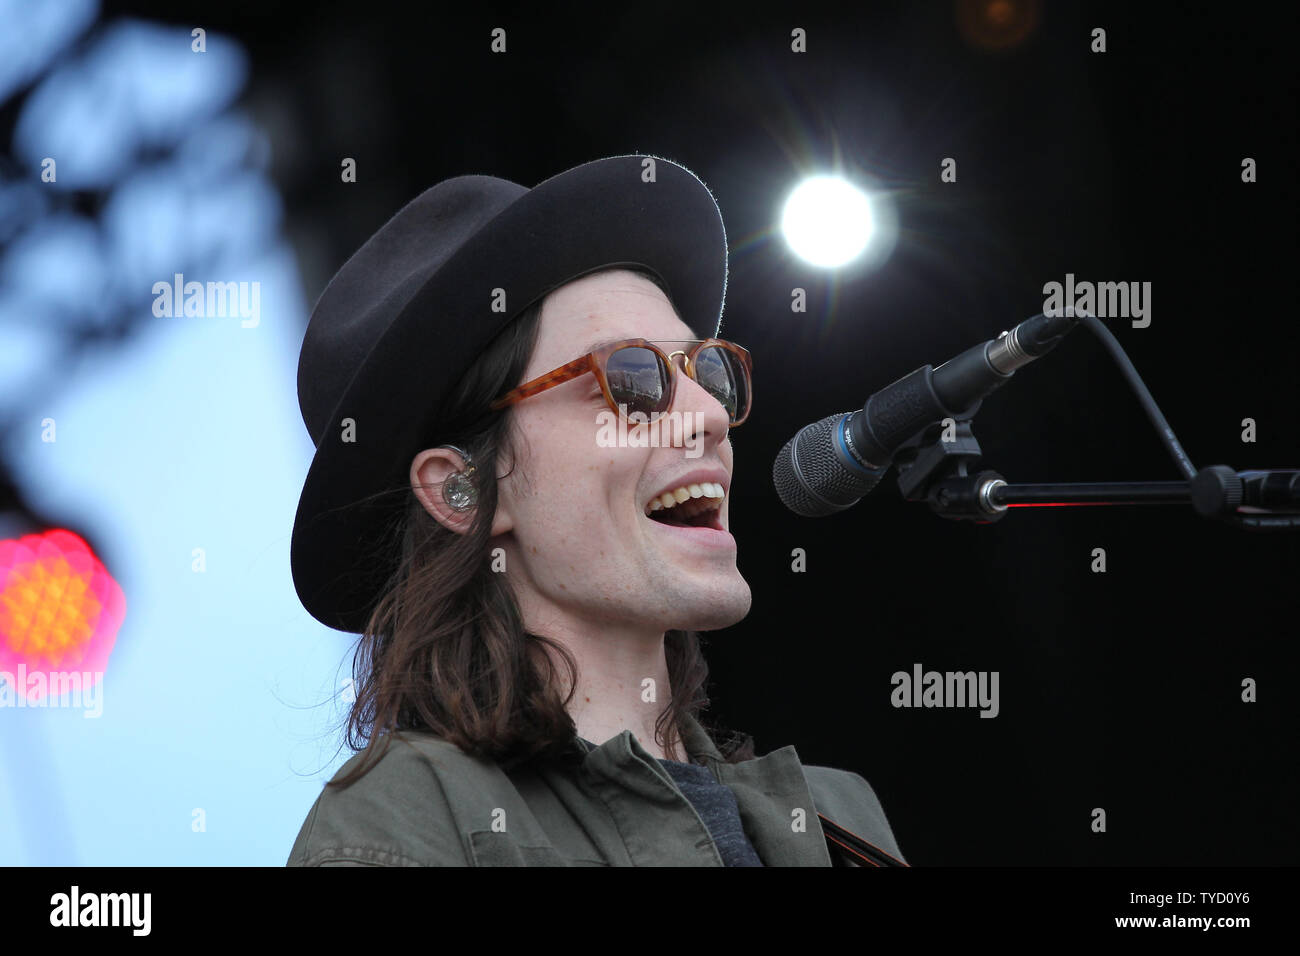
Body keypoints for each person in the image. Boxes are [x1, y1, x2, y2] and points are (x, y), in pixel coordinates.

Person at [285, 154, 907, 866]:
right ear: (462, 490)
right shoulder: (401, 828)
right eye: (632, 378)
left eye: (706, 370)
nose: (708, 413)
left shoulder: (842, 824)